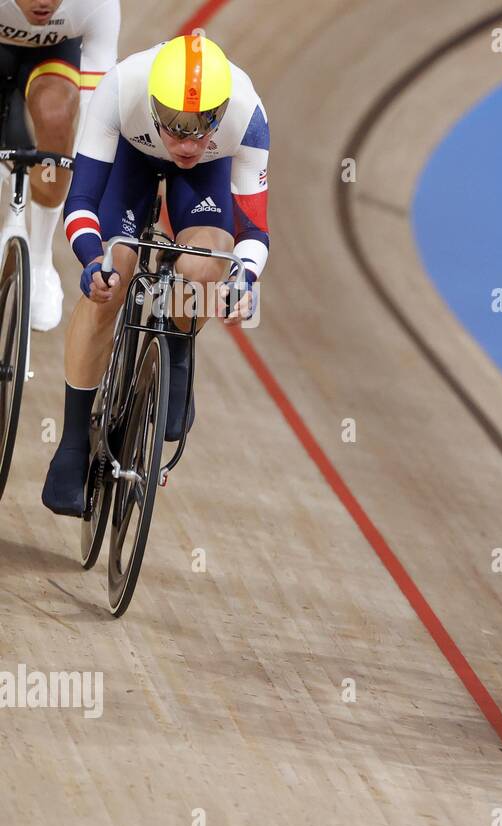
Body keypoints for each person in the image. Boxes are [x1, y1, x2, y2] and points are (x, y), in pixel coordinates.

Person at [41, 33, 268, 516]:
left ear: (223, 112)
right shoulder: (121, 88)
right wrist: (90, 260)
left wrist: (244, 278)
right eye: (175, 128)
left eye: (203, 127)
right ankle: (73, 444)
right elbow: (80, 202)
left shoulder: (248, 116)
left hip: (205, 180)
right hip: (129, 159)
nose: (187, 143)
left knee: (209, 258)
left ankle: (178, 346)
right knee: (115, 269)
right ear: (153, 106)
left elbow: (254, 232)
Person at [0, 0, 120, 332]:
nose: (43, 3)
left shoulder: (95, 5)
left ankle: (39, 261)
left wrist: (71, 166)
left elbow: (97, 101)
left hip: (52, 56)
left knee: (57, 118)